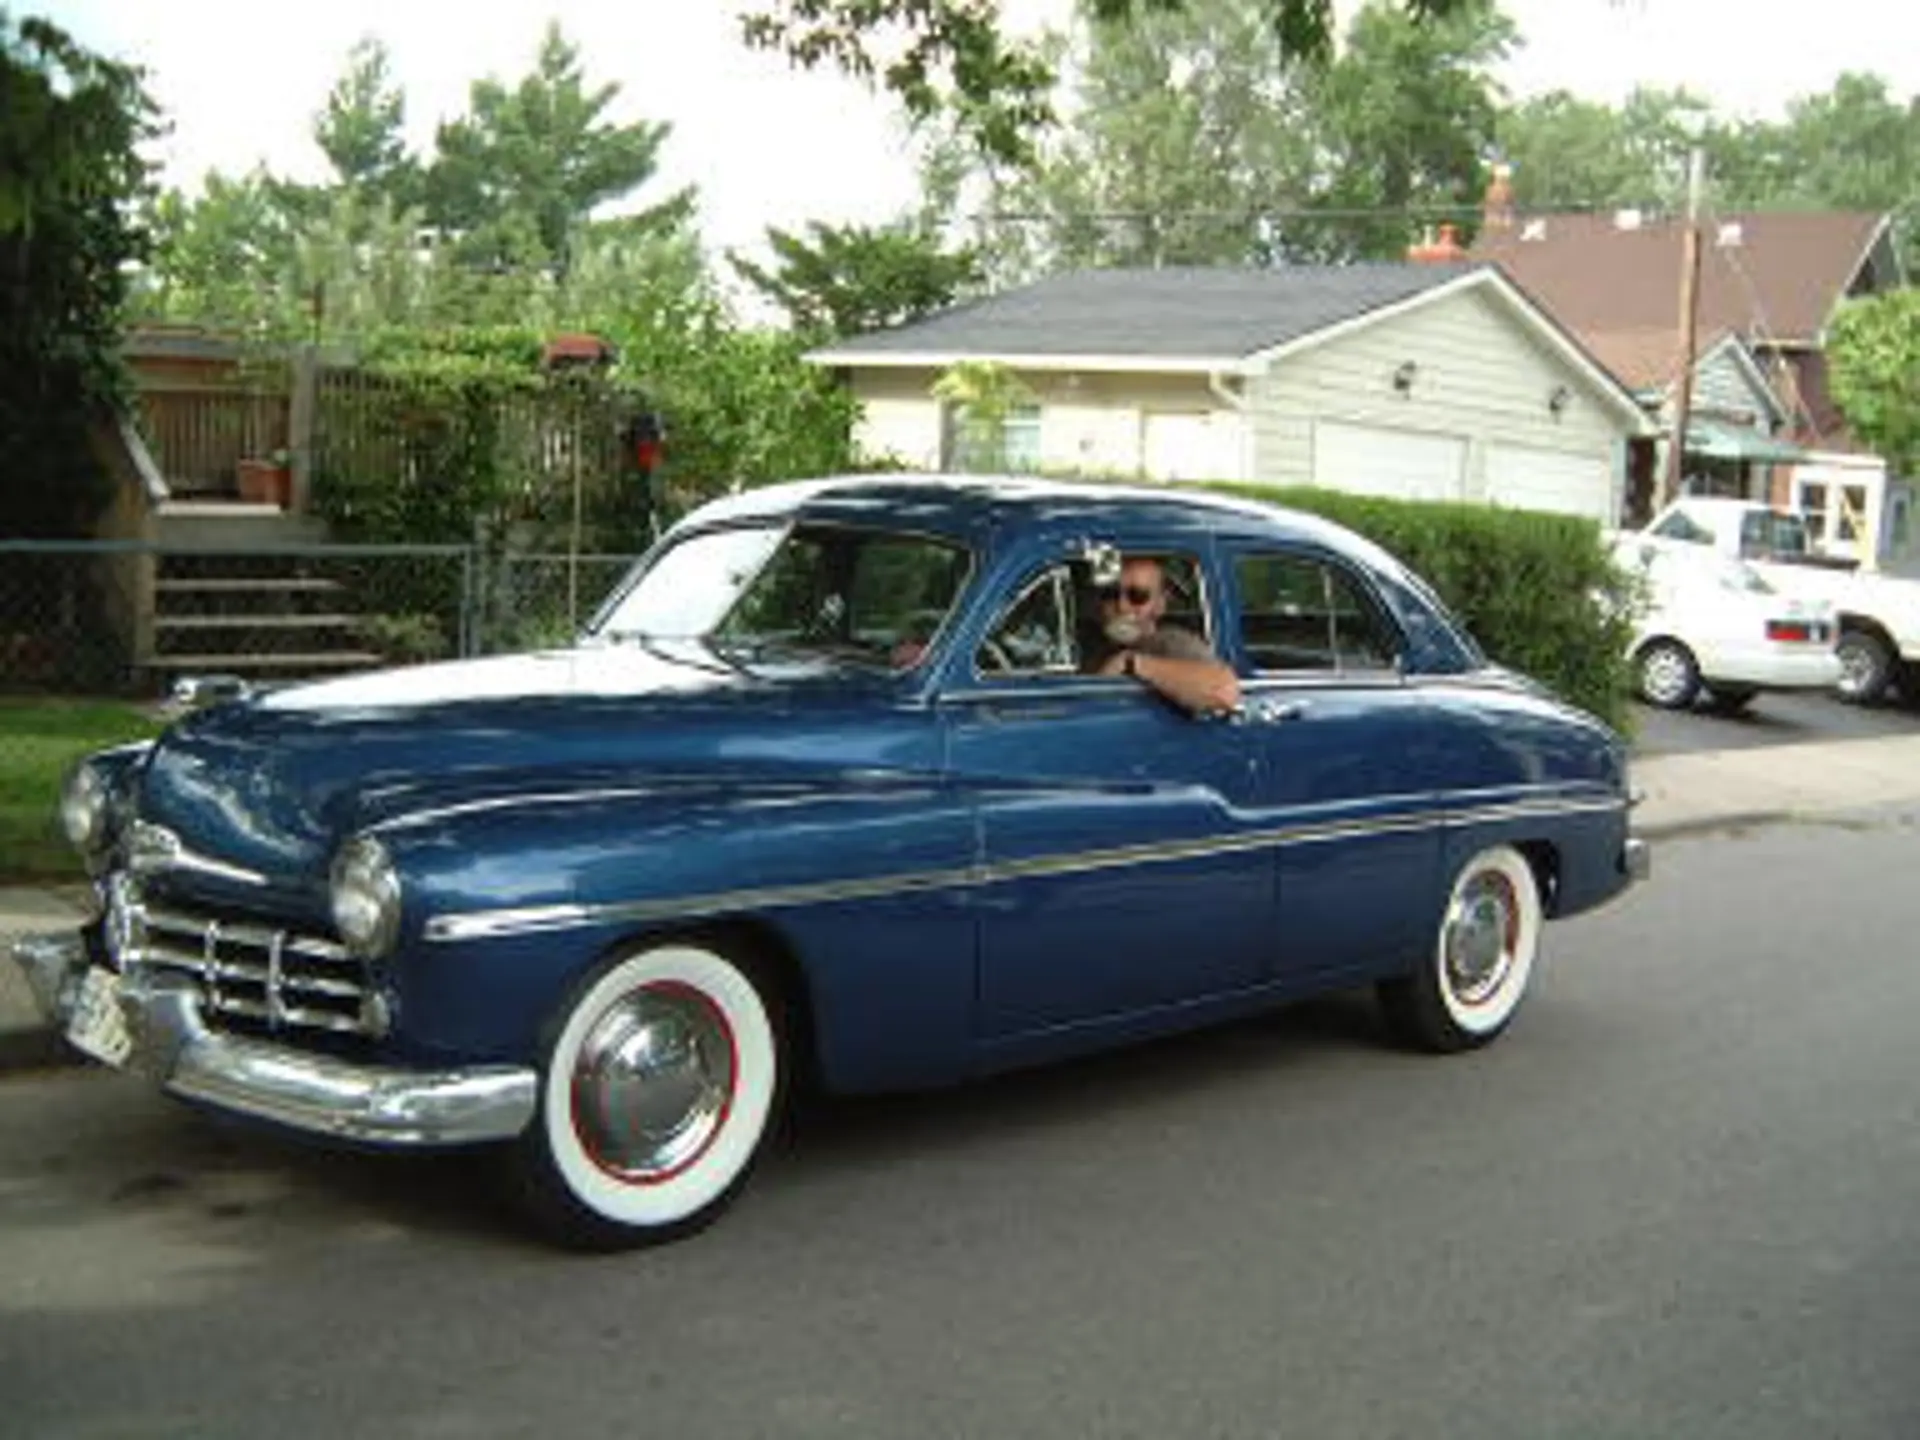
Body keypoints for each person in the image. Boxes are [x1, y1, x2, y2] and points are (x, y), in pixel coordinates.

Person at [1085, 556, 1241, 715]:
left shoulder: (1171, 643)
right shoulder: (1084, 642)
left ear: (1159, 605)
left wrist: (1131, 663)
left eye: (1137, 596)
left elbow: (1223, 691)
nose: (1122, 606)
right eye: (1111, 594)